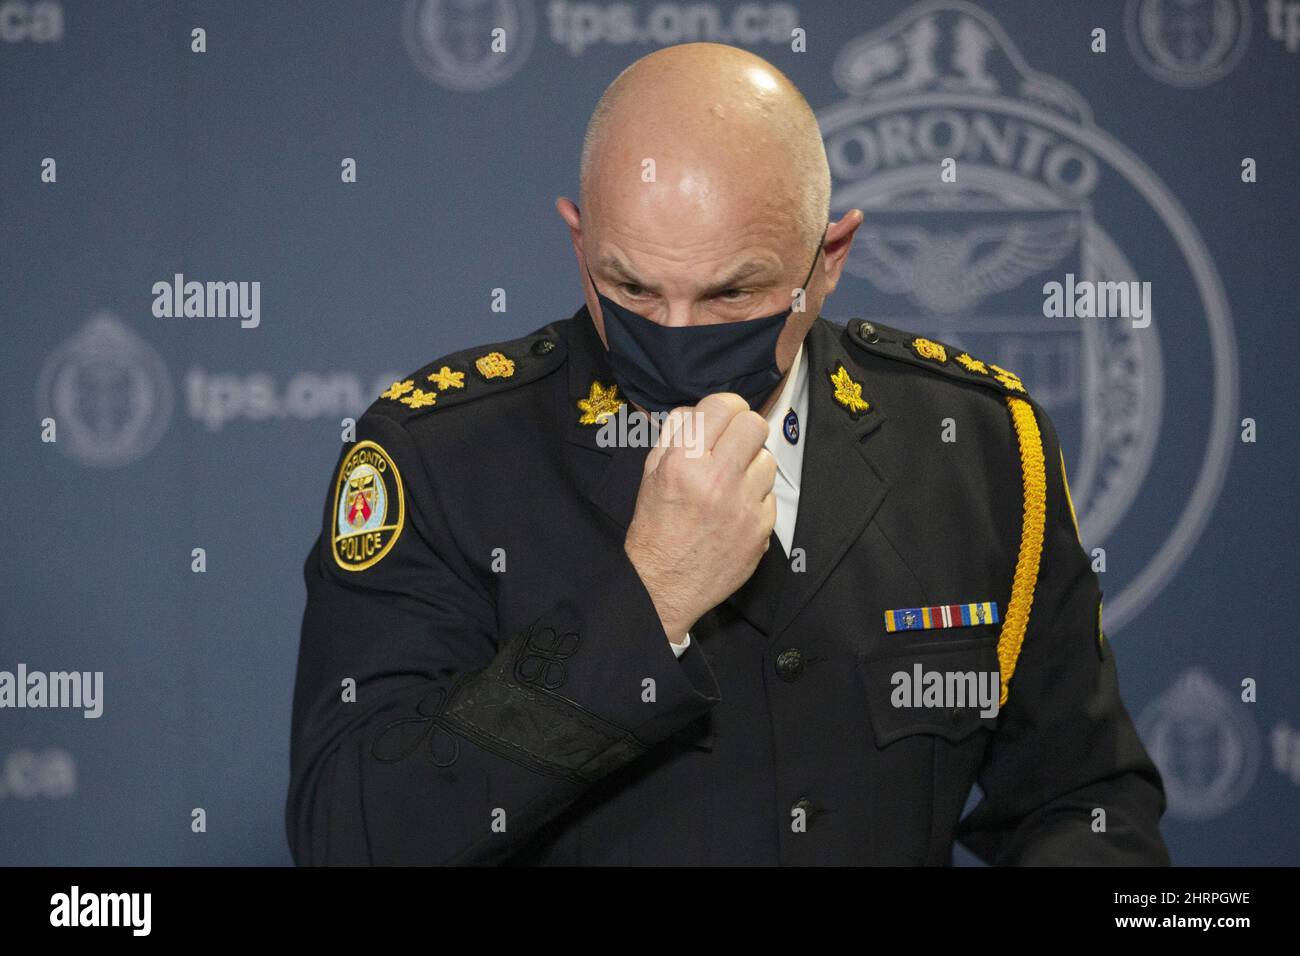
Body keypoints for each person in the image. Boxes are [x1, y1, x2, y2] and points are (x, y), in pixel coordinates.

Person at [286, 42, 1168, 865]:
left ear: (829, 259)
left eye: (732, 294)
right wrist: (648, 601)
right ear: (579, 244)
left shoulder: (975, 444)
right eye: (632, 288)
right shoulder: (442, 456)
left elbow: (1083, 801)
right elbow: (350, 832)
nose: (676, 336)